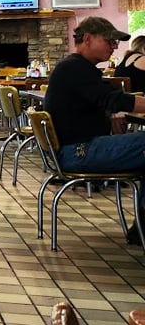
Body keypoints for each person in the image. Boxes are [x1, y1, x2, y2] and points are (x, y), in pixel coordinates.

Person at [43, 16, 145, 242]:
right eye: (109, 41)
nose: (114, 47)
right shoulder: (75, 69)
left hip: (75, 148)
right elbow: (113, 99)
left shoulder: (76, 68)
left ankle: (141, 229)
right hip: (78, 151)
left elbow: (99, 101)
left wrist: (110, 116)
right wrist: (115, 109)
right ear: (87, 39)